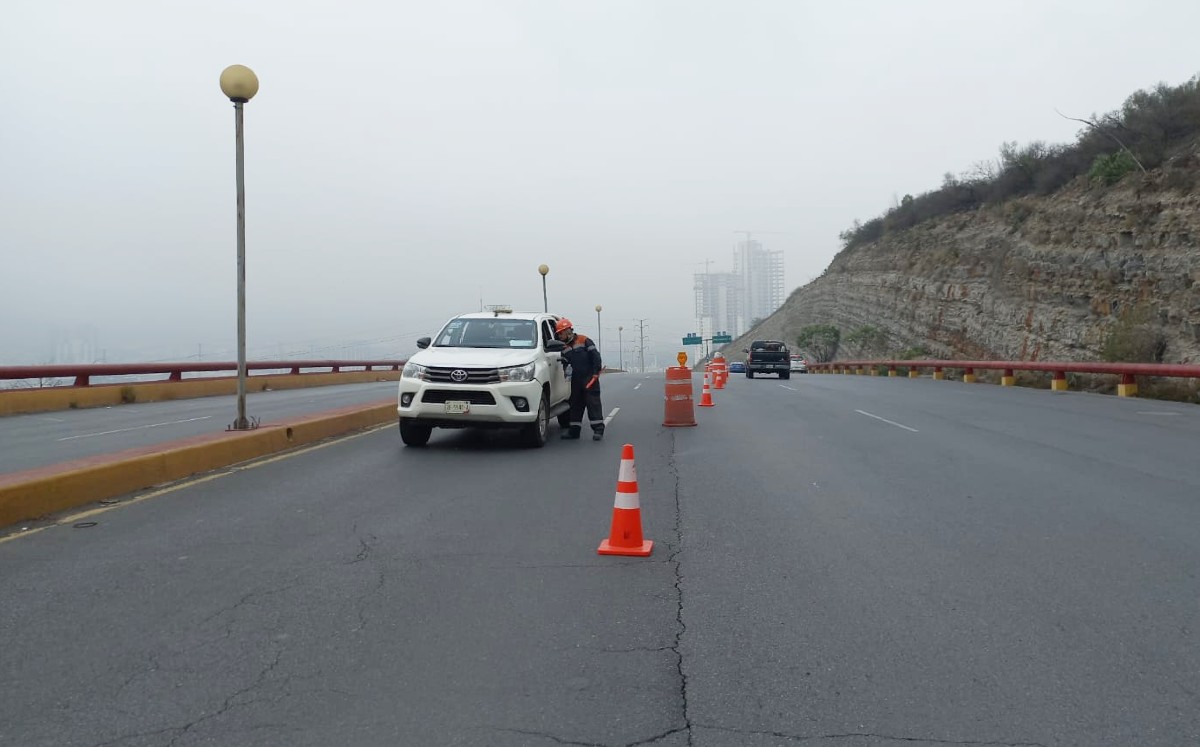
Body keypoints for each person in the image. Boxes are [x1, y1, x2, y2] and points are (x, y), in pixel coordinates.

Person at [555, 318, 604, 440]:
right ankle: (574, 431)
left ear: (567, 331)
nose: (559, 336)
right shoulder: (564, 348)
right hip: (575, 381)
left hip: (589, 378)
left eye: (561, 333)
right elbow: (566, 364)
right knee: (575, 405)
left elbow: (596, 357)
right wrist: (566, 370)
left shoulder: (584, 340)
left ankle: (598, 430)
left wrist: (595, 373)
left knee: (593, 404)